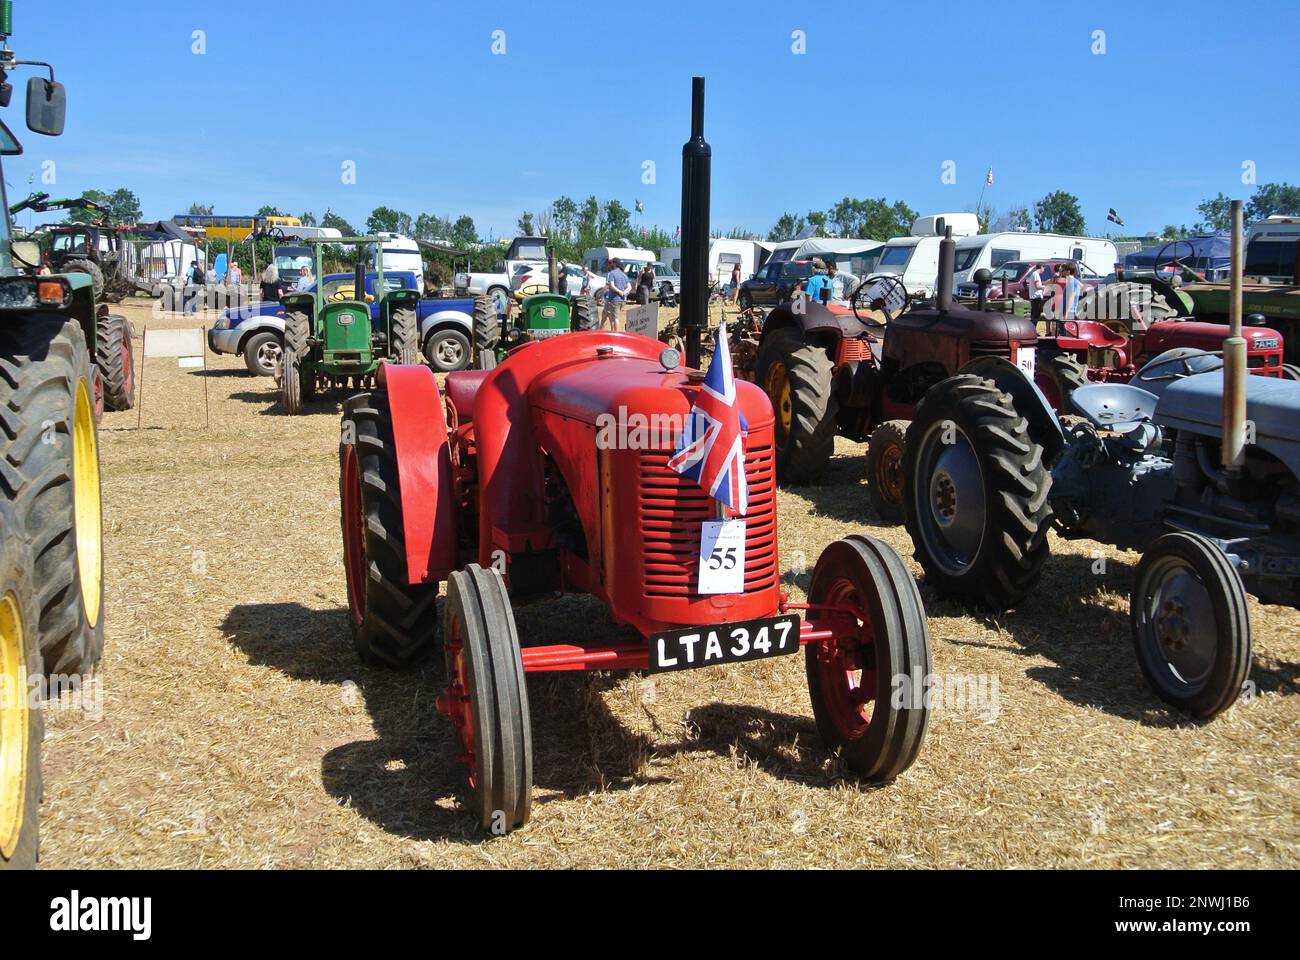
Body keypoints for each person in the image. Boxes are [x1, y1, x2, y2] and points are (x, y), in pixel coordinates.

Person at [602, 258, 631, 331]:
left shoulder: (612, 273)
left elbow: (611, 286)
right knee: (613, 317)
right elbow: (629, 287)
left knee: (615, 319)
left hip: (615, 299)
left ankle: (617, 336)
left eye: (612, 263)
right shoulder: (624, 275)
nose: (611, 264)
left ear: (614, 264)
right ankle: (613, 332)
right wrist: (624, 293)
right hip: (622, 300)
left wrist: (619, 292)